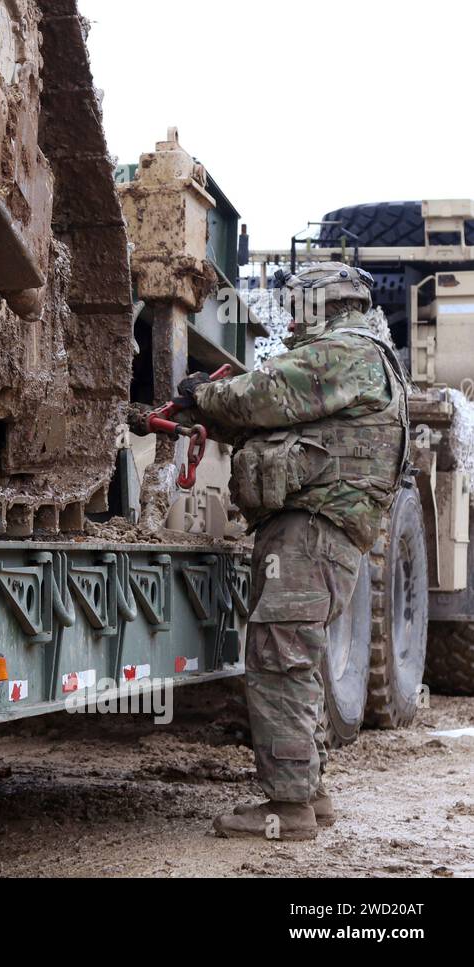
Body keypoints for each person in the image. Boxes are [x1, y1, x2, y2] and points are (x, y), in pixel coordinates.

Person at [173, 262, 410, 840]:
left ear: (325, 303)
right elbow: (281, 420)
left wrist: (202, 393)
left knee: (279, 659)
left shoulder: (347, 351)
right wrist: (207, 413)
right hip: (318, 533)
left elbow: (265, 394)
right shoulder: (365, 357)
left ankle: (289, 807)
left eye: (299, 303)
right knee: (297, 659)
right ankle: (310, 793)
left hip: (312, 531)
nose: (292, 316)